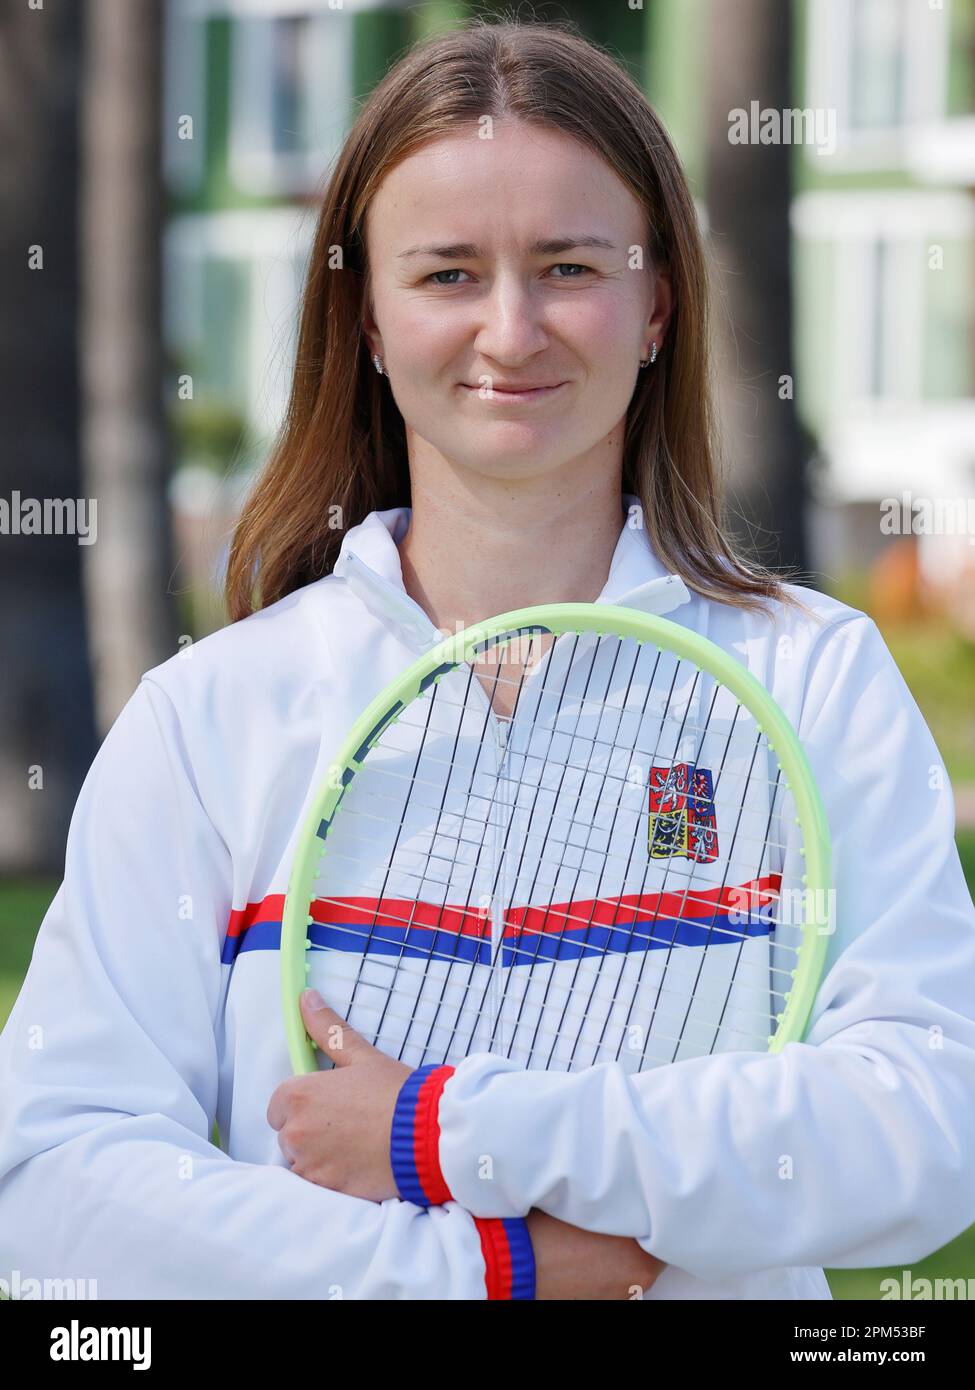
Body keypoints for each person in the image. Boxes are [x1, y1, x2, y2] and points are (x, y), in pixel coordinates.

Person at [2, 18, 974, 1302]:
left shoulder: (816, 678)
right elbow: (58, 1182)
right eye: (449, 274)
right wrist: (490, 1268)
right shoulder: (210, 718)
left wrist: (455, 1128)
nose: (512, 332)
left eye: (568, 266)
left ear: (657, 302)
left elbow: (923, 1126)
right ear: (364, 316)